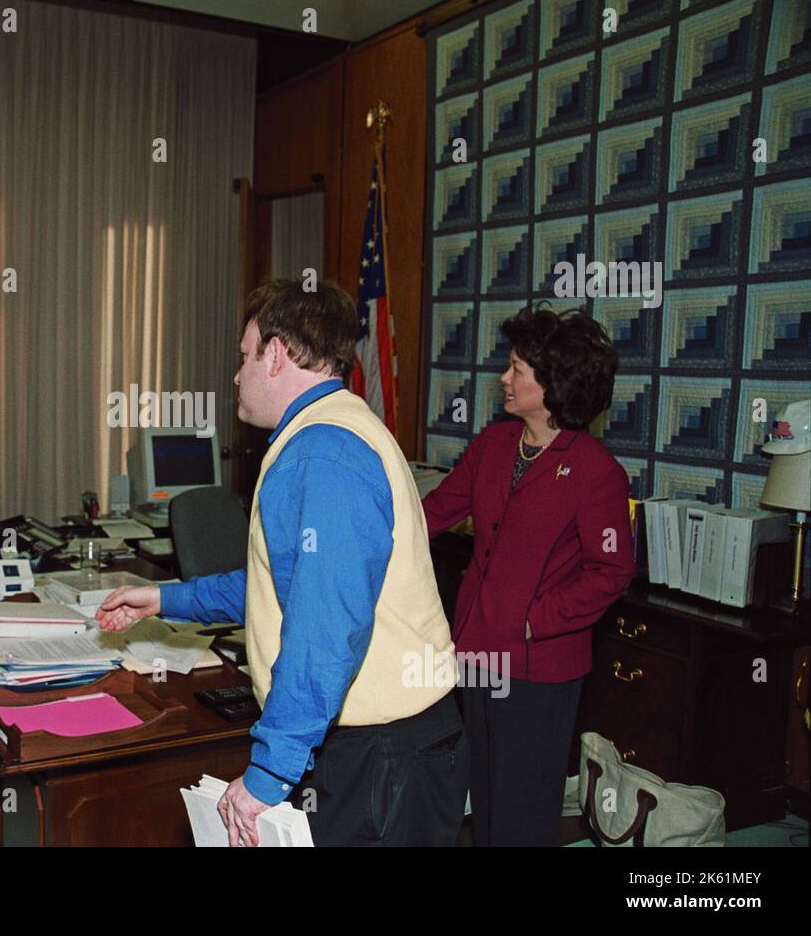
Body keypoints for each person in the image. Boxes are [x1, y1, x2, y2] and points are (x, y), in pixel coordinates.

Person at [97, 278, 468, 847]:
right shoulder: (330, 432)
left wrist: (269, 772)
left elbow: (325, 627)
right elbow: (282, 584)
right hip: (379, 744)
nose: (237, 375)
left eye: (245, 357)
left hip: (384, 751)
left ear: (275, 354)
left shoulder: (324, 452)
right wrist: (168, 597)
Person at [422, 304, 636, 846]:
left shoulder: (596, 472)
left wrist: (535, 620)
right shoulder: (494, 446)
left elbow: (611, 571)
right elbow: (430, 514)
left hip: (540, 665)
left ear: (555, 382)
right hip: (475, 650)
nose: (504, 379)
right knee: (485, 795)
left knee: (523, 806)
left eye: (518, 369)